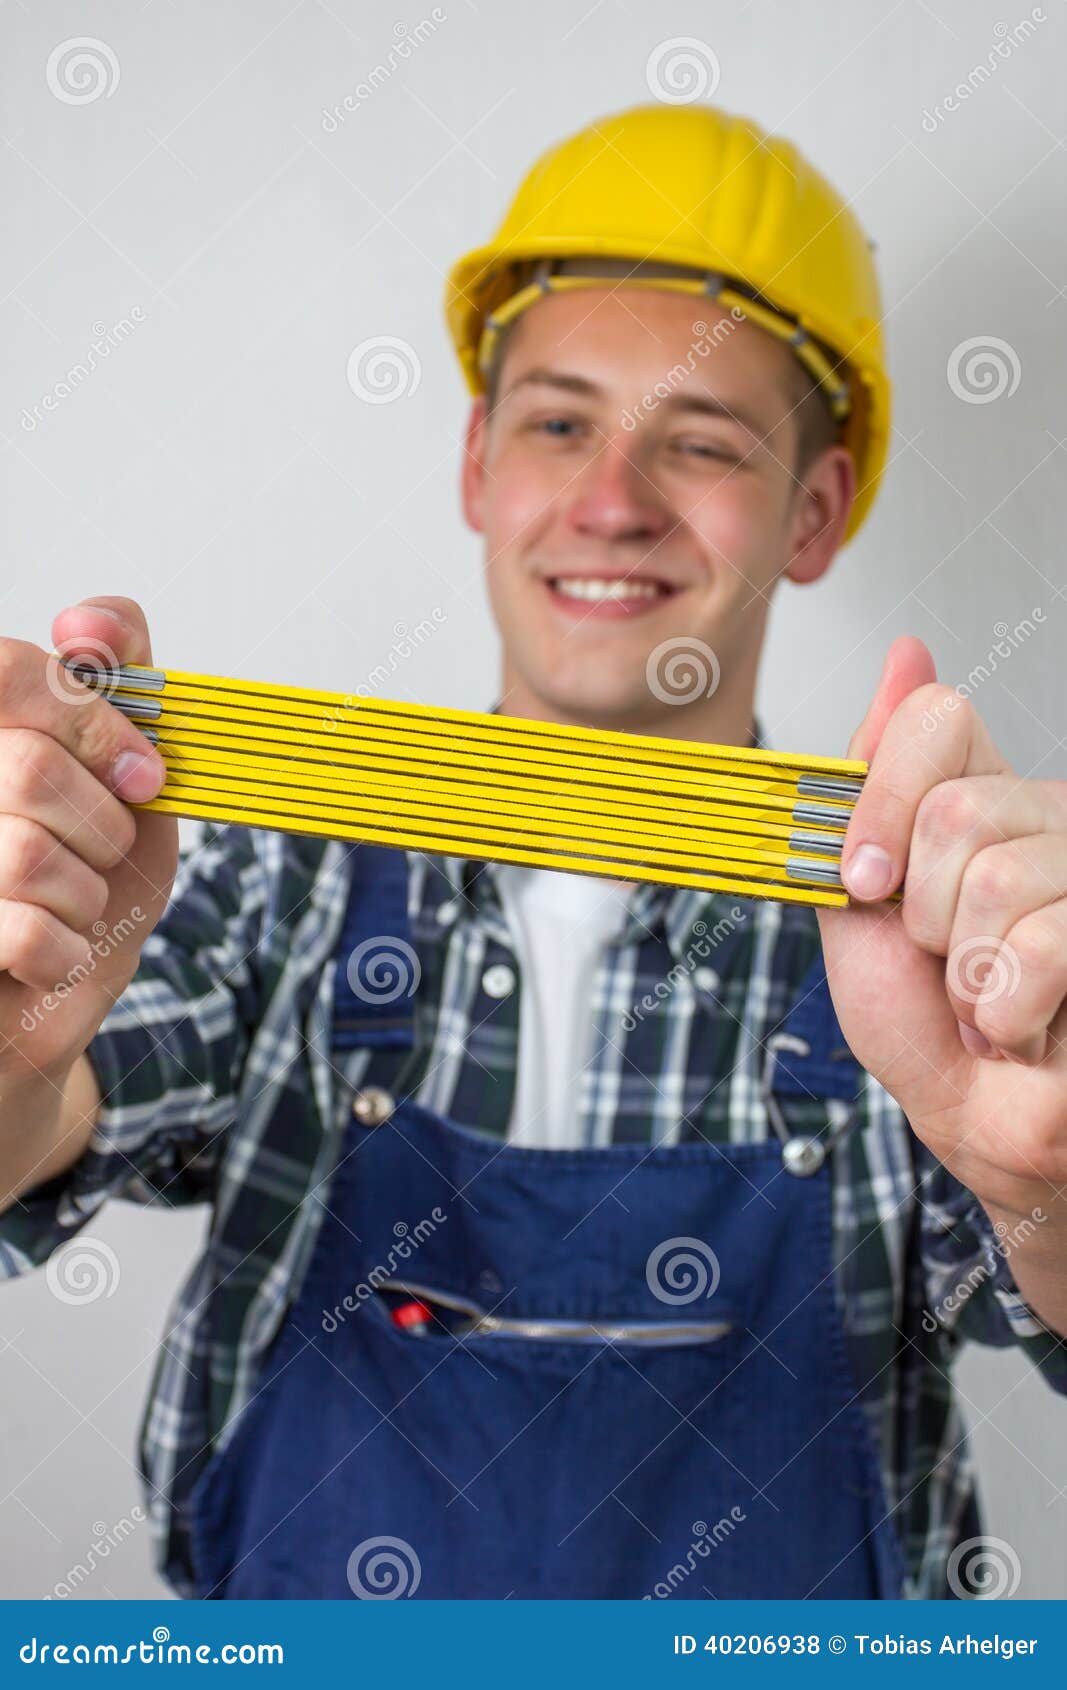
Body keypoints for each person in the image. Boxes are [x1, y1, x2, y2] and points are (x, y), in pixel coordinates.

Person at [0, 103, 1064, 1602]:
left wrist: (1053, 1167)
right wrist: (12, 1039)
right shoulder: (270, 883)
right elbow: (39, 1117)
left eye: (701, 442)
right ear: (478, 464)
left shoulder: (918, 944)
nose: (613, 500)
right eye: (560, 421)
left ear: (813, 513)